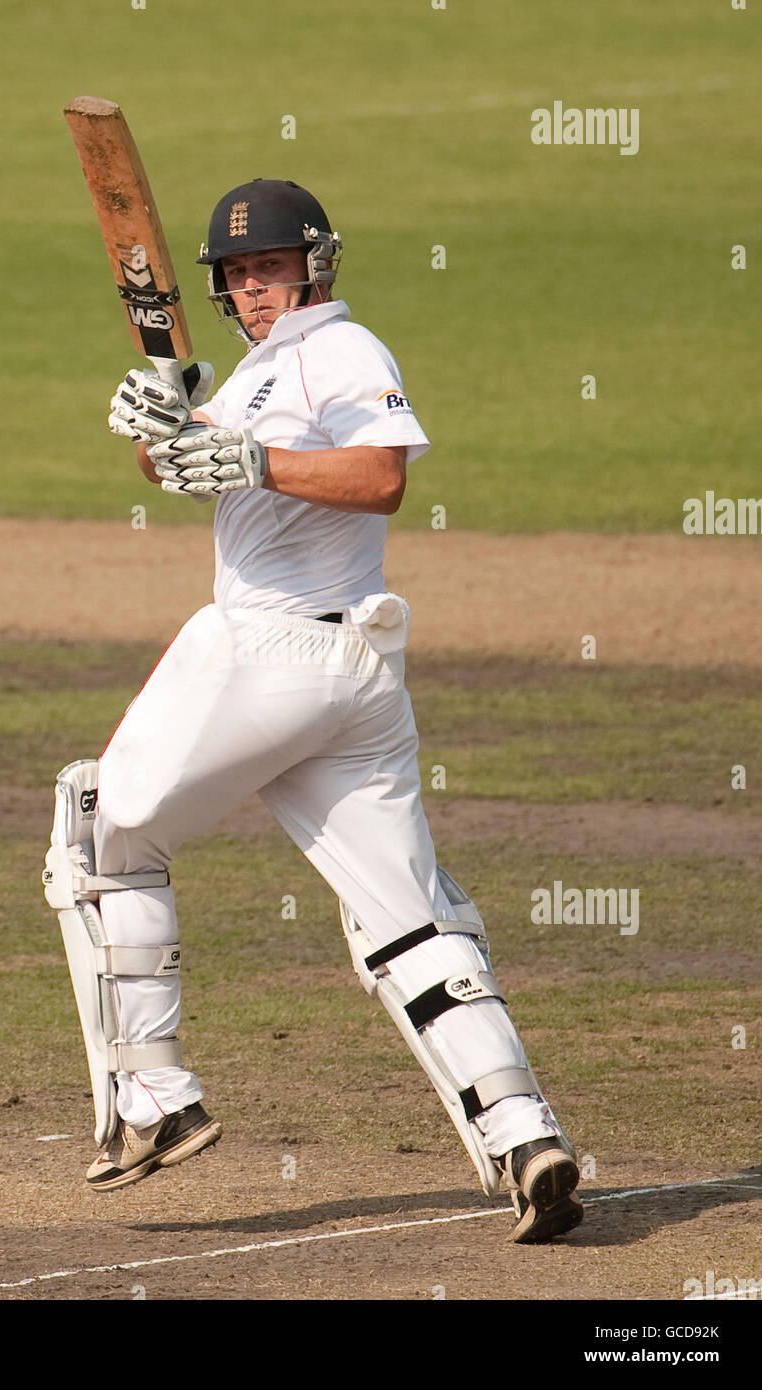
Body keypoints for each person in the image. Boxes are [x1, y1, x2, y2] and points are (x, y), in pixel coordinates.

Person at [45, 179, 583, 1243]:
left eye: (270, 266)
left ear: (316, 266)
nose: (253, 286)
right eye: (237, 274)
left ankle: (151, 1094)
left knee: (100, 829)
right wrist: (165, 419)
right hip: (353, 681)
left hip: (272, 653)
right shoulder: (259, 372)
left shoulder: (341, 351)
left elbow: (379, 477)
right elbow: (201, 465)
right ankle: (526, 1138)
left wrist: (249, 454)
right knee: (406, 917)